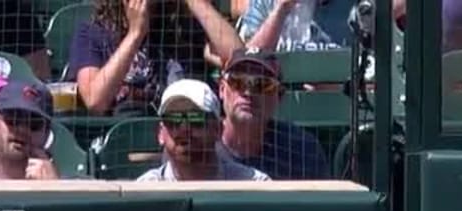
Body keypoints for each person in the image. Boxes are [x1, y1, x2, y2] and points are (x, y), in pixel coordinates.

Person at [69, 0, 243, 116]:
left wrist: (195, 2)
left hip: (186, 133)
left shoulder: (184, 26)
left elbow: (240, 60)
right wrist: (136, 33)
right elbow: (95, 100)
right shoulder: (92, 32)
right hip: (125, 144)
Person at [216, 50, 332, 179]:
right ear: (221, 89)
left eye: (262, 85)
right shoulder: (202, 143)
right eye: (237, 82)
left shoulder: (302, 150)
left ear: (279, 96)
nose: (248, 93)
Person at [137, 78, 271, 181]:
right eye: (174, 119)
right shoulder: (143, 192)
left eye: (195, 118)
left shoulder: (252, 185)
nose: (184, 128)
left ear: (218, 129)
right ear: (161, 133)